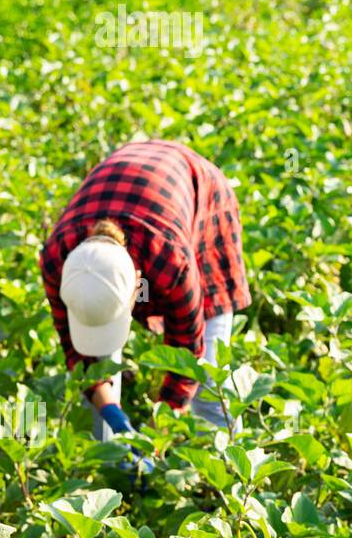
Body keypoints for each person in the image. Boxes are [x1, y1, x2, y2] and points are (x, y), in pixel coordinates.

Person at [40, 139, 252, 456]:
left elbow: (188, 354)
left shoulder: (171, 262)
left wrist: (157, 434)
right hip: (135, 183)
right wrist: (110, 410)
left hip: (201, 196)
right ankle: (109, 456)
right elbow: (77, 353)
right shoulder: (59, 259)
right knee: (100, 377)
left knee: (207, 380)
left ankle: (229, 468)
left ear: (137, 286)